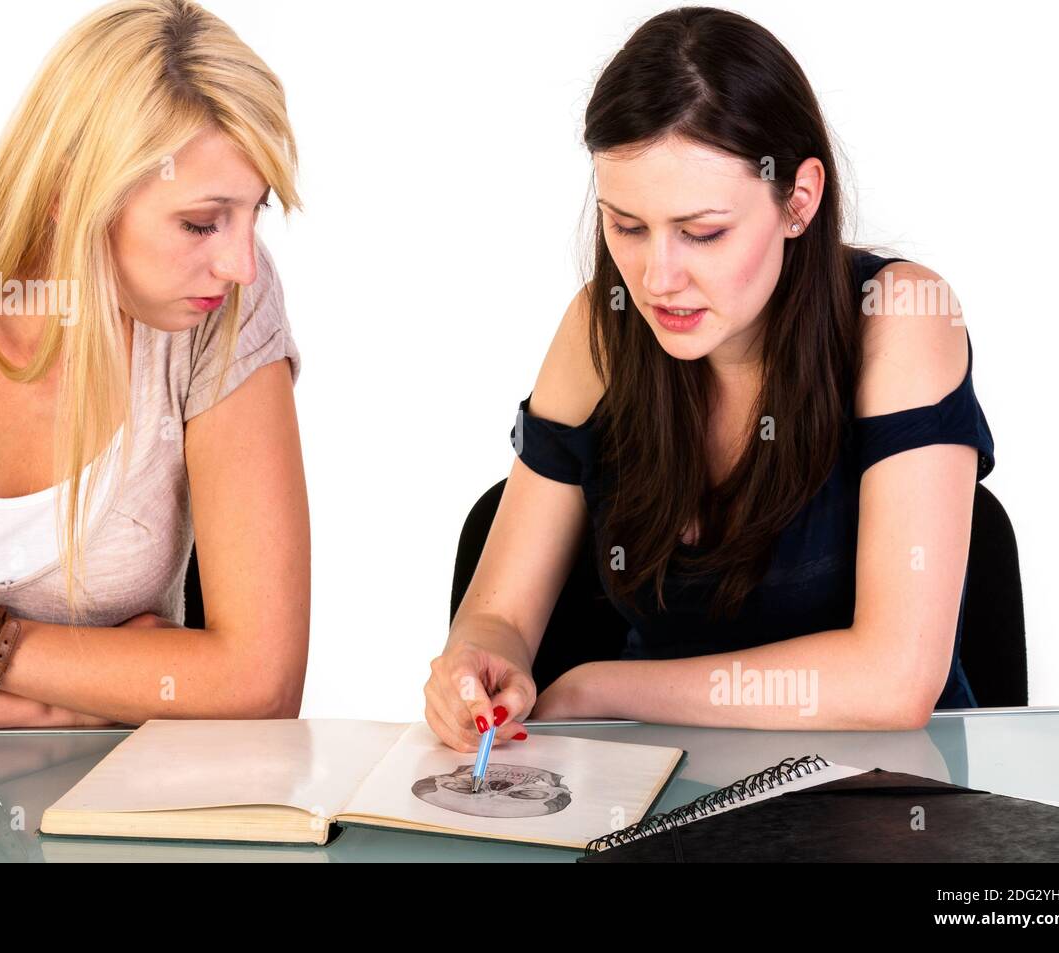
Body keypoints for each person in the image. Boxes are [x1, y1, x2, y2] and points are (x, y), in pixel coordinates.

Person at [424, 6, 994, 750]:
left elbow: (894, 678)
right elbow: (498, 612)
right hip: (658, 783)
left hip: (889, 802)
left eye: (703, 232)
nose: (658, 278)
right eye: (626, 227)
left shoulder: (900, 319)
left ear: (799, 199)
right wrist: (477, 662)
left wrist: (596, 687)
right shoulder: (602, 325)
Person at [0, 0, 309, 745]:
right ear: (71, 195)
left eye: (255, 214)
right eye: (202, 222)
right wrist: (48, 700)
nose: (241, 263)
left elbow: (259, 683)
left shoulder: (223, 307)